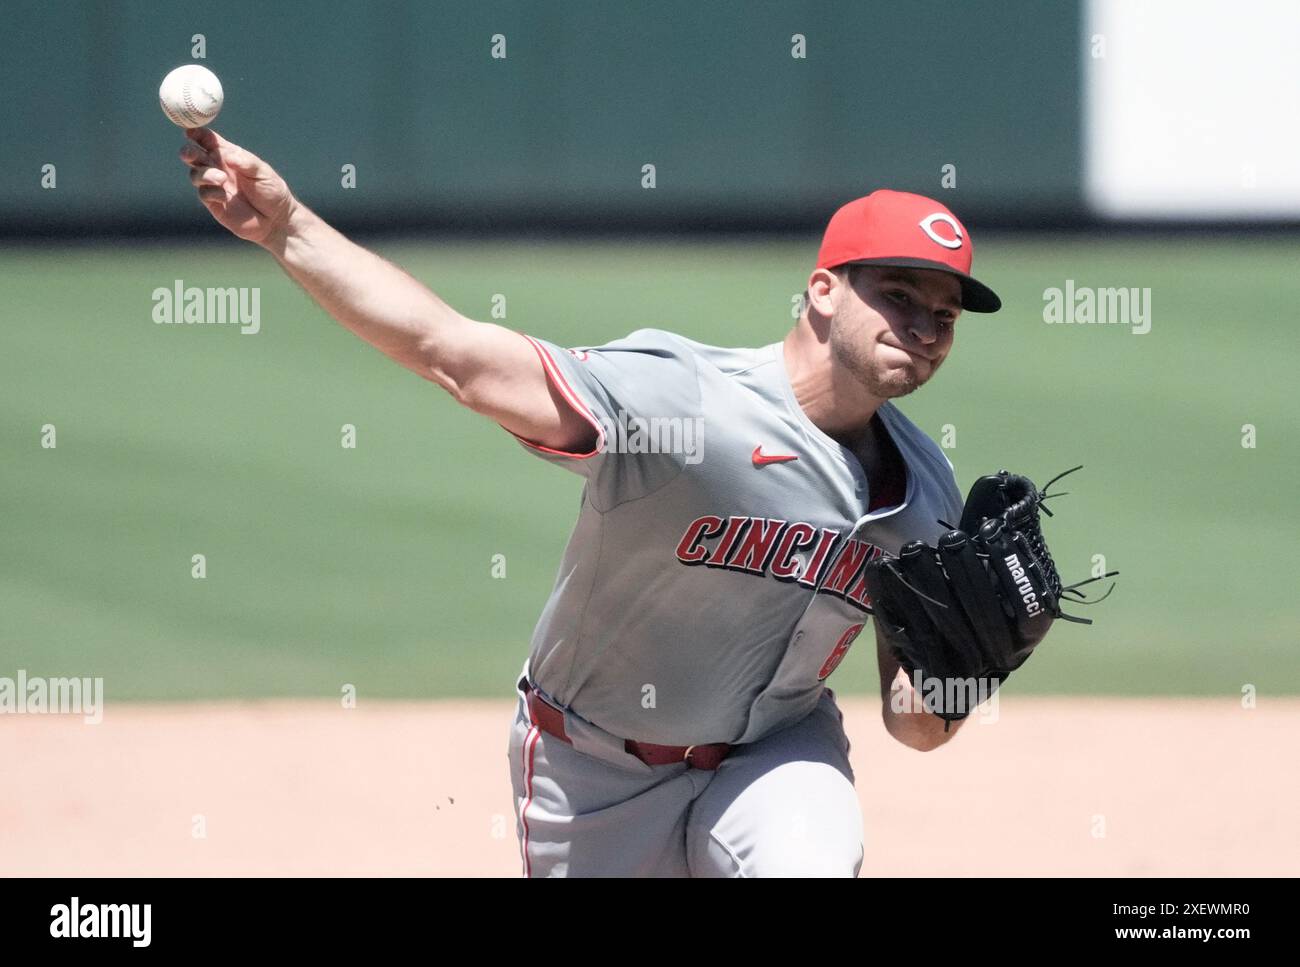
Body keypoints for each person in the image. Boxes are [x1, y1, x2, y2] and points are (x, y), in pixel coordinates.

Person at [179, 127, 1002, 877]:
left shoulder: (926, 498)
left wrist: (971, 667)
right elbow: (454, 355)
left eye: (944, 315)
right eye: (898, 295)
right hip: (591, 770)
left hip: (777, 757)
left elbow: (915, 726)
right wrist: (286, 227)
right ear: (824, 290)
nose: (925, 327)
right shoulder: (688, 402)